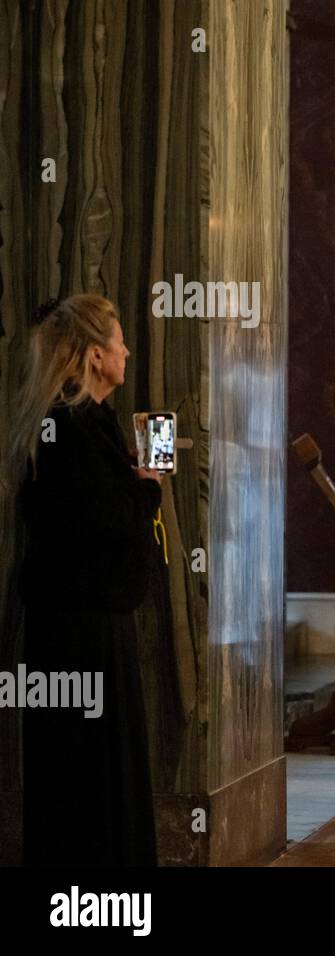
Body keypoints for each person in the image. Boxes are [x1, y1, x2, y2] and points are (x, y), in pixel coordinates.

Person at [3, 295, 162, 866]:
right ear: (96, 356)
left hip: (95, 621)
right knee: (83, 772)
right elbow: (102, 517)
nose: (125, 350)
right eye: (118, 341)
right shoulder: (65, 427)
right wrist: (146, 489)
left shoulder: (88, 424)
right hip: (77, 630)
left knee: (103, 768)